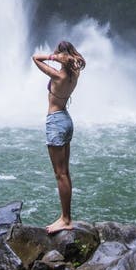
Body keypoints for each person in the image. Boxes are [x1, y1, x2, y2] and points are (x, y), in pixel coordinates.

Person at [32, 40, 86, 233]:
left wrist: (53, 57)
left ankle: (65, 219)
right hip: (66, 120)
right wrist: (68, 57)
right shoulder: (75, 73)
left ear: (62, 55)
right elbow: (79, 60)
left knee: (60, 174)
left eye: (57, 54)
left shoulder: (57, 75)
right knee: (65, 173)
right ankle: (66, 217)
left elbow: (35, 58)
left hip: (55, 122)